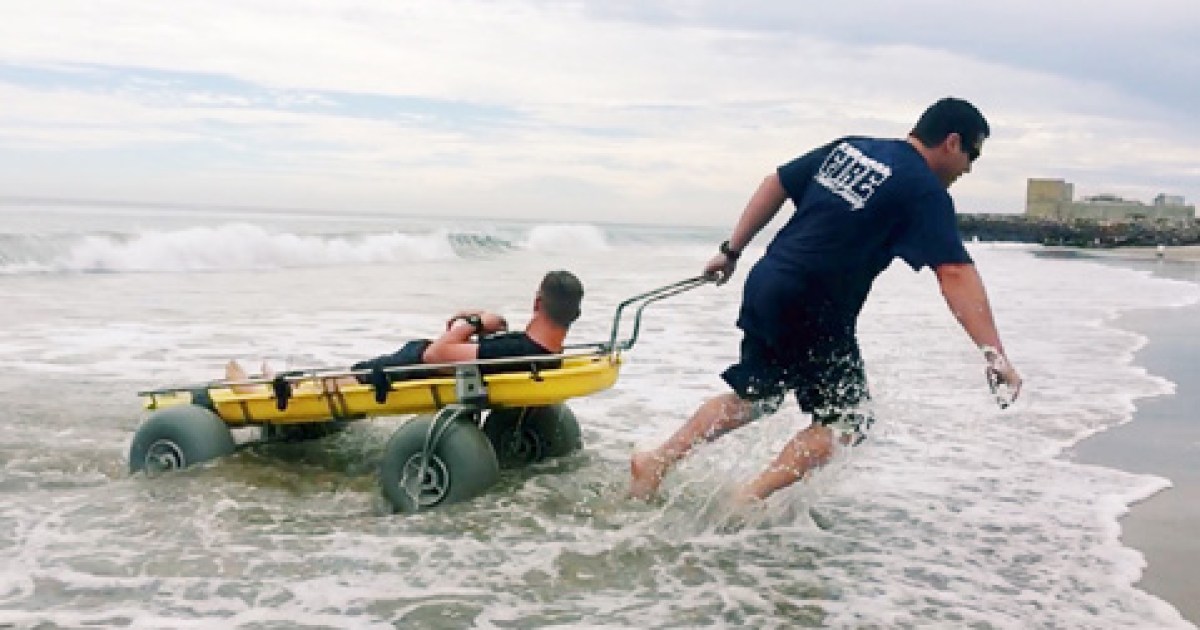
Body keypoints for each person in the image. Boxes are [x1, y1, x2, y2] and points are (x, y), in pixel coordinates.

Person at [629, 97, 1022, 504]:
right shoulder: (923, 190)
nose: (969, 169)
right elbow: (955, 272)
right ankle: (749, 497)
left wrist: (731, 252)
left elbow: (776, 182)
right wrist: (994, 353)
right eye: (972, 155)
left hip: (769, 280)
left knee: (757, 396)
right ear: (952, 142)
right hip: (814, 303)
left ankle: (659, 460)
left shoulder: (851, 148)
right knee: (848, 419)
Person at [225, 270, 584, 391]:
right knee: (337, 376)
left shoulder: (519, 351)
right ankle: (285, 380)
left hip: (400, 371)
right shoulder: (545, 352)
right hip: (418, 365)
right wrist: (494, 324)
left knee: (338, 380)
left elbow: (436, 355)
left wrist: (473, 324)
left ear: (537, 303)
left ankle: (270, 388)